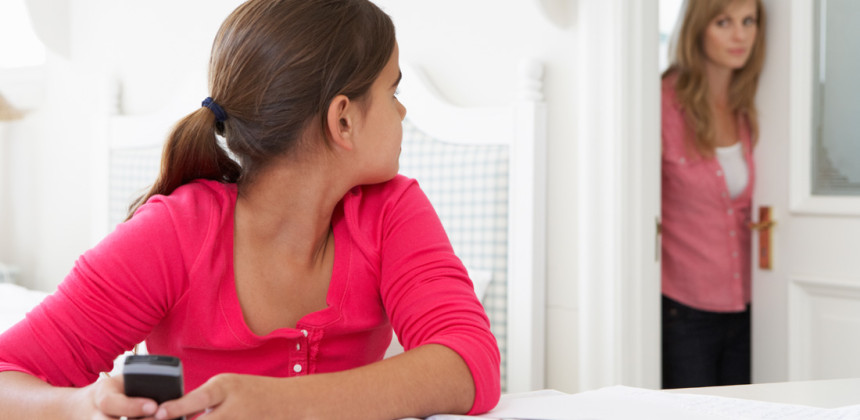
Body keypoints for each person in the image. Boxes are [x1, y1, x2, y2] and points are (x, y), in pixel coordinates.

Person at [0, 0, 501, 418]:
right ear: (343, 120)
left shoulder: (392, 211)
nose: (402, 110)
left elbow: (470, 361)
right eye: (392, 90)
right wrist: (81, 405)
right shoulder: (173, 233)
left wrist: (280, 404)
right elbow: (8, 374)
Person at [660, 0, 766, 389]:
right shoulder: (661, 103)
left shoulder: (750, 103)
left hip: (749, 304)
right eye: (723, 22)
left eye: (748, 21)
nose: (740, 35)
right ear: (698, 29)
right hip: (685, 309)